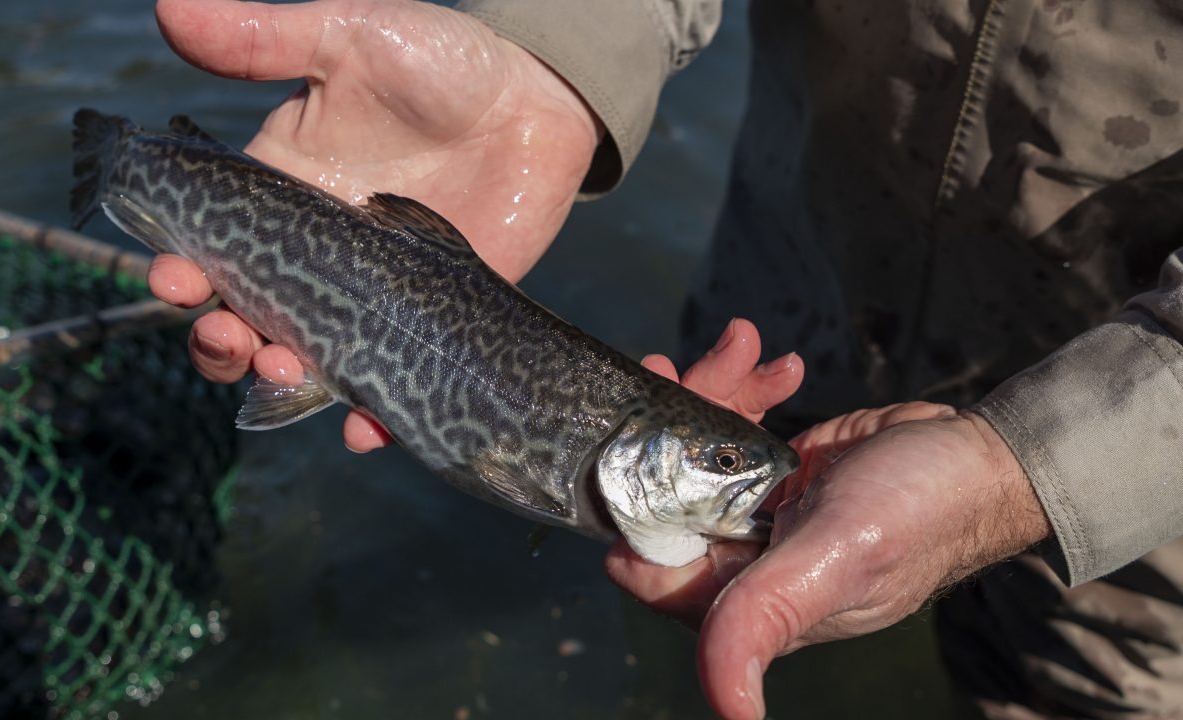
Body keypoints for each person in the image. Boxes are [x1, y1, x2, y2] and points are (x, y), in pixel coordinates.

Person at [147, 0, 1183, 718]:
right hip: (792, 311)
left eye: (734, 473)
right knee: (711, 601)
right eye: (733, 470)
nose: (754, 481)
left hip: (1145, 448)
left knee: (1075, 688)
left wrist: (1029, 474)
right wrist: (557, 55)